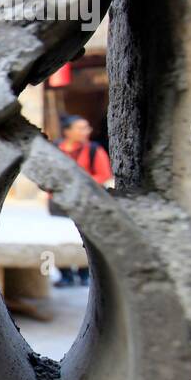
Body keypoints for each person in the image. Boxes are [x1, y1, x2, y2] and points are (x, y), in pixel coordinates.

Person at [52, 115, 112, 287]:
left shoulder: (94, 150)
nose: (86, 131)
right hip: (61, 201)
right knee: (61, 237)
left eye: (87, 128)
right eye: (81, 128)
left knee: (87, 237)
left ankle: (85, 272)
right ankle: (65, 274)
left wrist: (79, 184)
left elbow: (104, 175)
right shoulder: (55, 149)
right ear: (67, 131)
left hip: (86, 201)